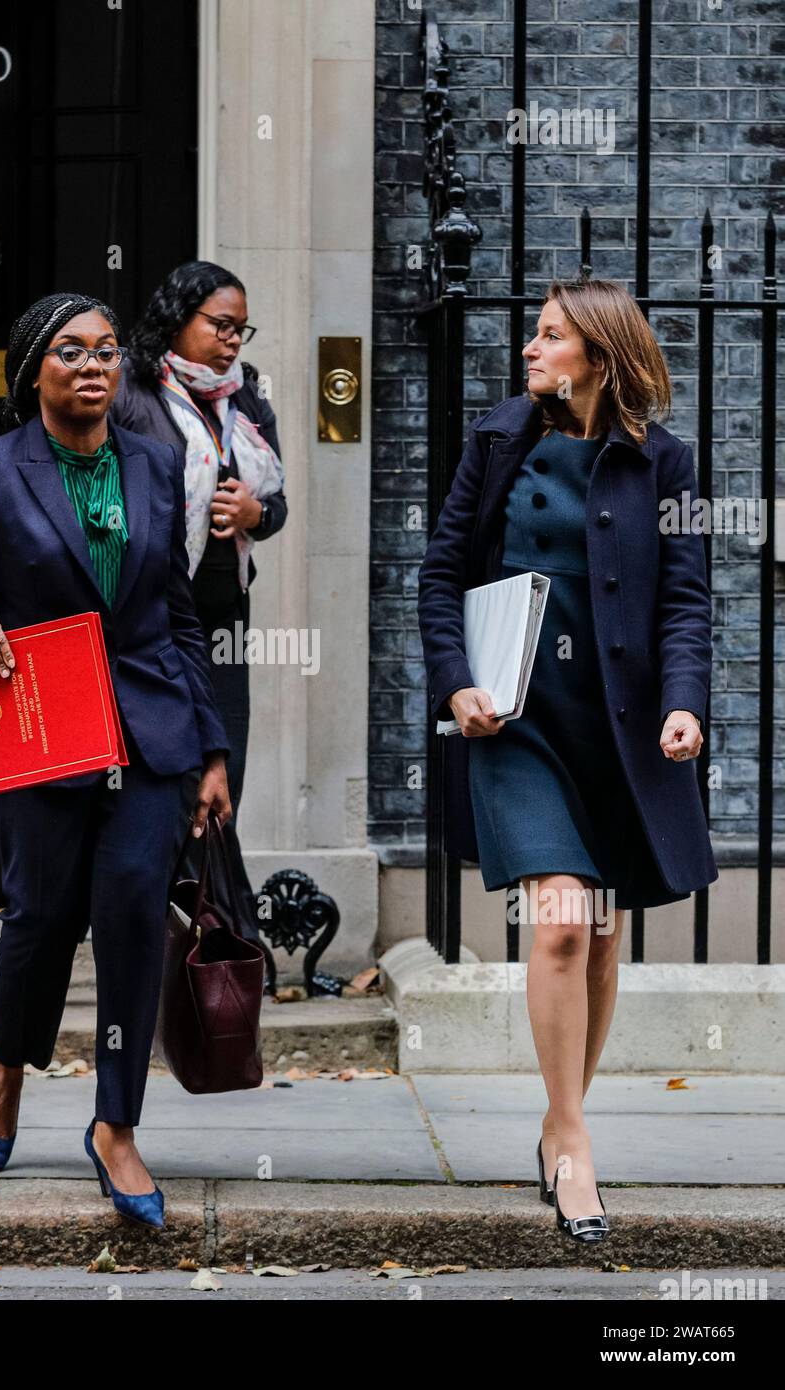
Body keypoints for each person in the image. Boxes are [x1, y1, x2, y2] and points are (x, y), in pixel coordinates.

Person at [0, 291, 233, 1229]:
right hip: (41, 726)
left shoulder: (154, 462)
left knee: (132, 913)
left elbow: (178, 614)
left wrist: (211, 748)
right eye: (70, 351)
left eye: (105, 350)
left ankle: (115, 1124)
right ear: (33, 371)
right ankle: (9, 1059)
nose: (93, 366)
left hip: (149, 731)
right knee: (41, 918)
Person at [417, 277, 718, 1244]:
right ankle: (572, 1140)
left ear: (597, 353)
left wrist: (684, 702)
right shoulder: (497, 442)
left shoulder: (663, 463)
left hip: (619, 728)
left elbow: (686, 600)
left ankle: (559, 1121)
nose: (530, 349)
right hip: (517, 721)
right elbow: (440, 573)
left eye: (549, 336)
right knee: (557, 922)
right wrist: (454, 683)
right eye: (534, 334)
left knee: (598, 934)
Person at [108, 260, 287, 945]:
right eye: (221, 325)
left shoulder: (248, 398)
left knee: (220, 776)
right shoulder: (132, 390)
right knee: (165, 772)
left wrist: (254, 513)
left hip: (224, 615)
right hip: (148, 614)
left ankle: (205, 938)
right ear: (178, 319)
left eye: (242, 329)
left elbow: (277, 504)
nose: (233, 340)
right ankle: (199, 933)